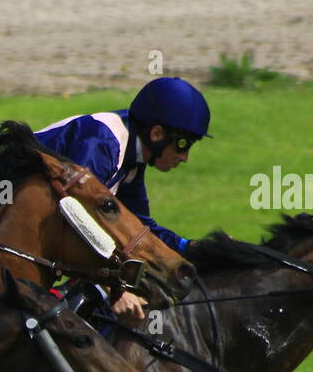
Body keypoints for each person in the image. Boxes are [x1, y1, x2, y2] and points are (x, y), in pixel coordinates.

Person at [34, 76, 210, 320]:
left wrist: (188, 247)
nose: (185, 157)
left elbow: (140, 228)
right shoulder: (103, 144)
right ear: (157, 133)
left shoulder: (131, 158)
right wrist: (116, 288)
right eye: (183, 144)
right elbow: (76, 219)